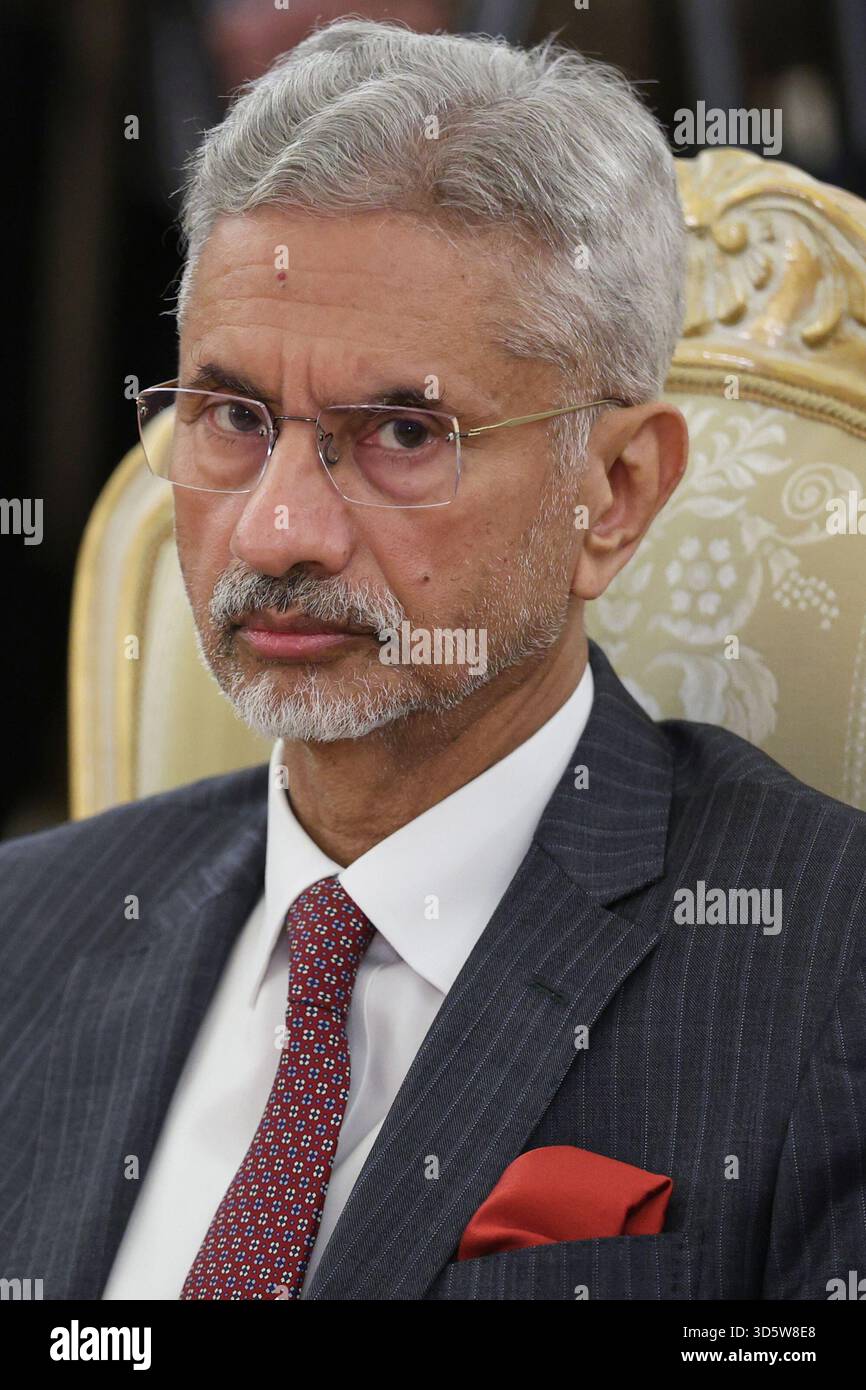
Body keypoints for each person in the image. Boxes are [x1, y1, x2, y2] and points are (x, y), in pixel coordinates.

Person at [1, 18, 864, 1302]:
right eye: (234, 417)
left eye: (404, 432)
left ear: (615, 492)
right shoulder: (30, 927)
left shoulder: (824, 972)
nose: (280, 529)